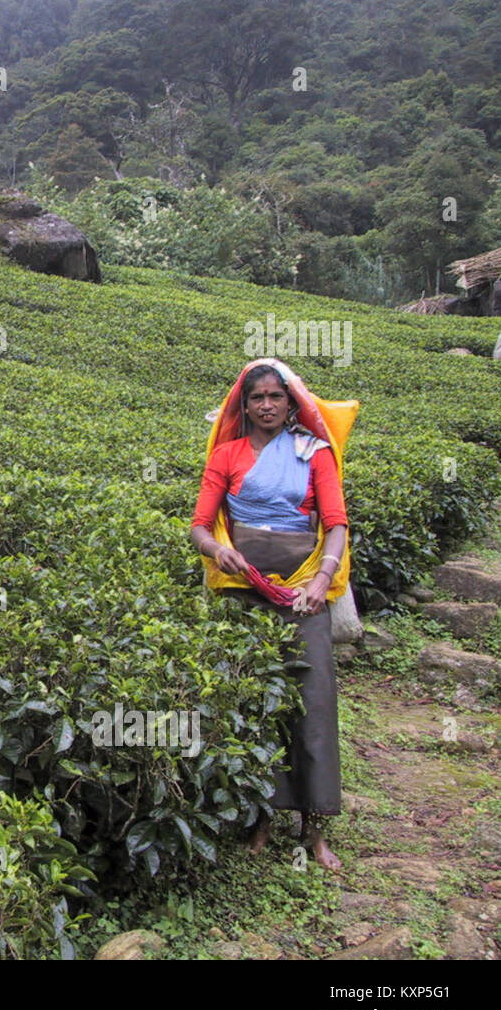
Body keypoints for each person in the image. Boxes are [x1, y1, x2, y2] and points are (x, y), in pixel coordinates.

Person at [190, 358, 358, 871]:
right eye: (256, 398)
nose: (266, 405)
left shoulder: (315, 453)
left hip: (304, 596)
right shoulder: (227, 454)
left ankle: (315, 827)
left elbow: (335, 524)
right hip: (244, 595)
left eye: (275, 397)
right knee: (256, 706)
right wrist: (219, 552)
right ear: (244, 406)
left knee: (312, 703)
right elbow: (199, 525)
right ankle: (260, 817)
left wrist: (321, 579)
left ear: (291, 406)